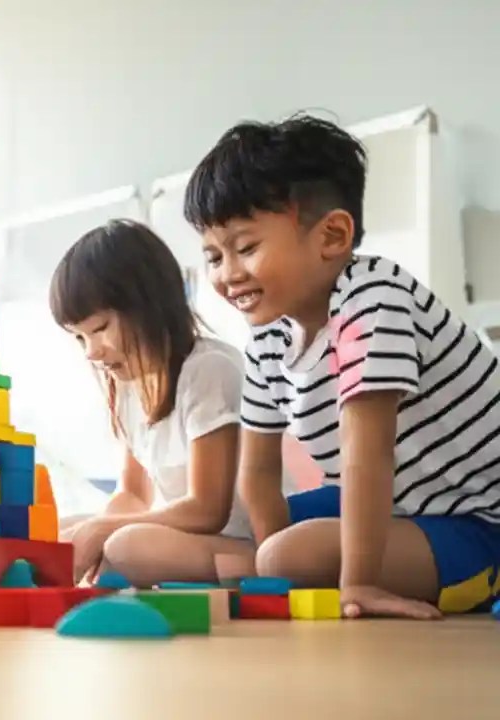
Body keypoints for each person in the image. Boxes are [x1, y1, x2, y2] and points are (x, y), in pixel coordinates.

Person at [186, 113, 500, 619]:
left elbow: (367, 454)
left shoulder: (372, 299)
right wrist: (274, 574)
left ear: (332, 236)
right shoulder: (269, 337)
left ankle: (361, 571)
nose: (228, 274)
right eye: (214, 256)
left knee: (292, 552)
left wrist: (359, 584)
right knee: (252, 532)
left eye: (246, 248)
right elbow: (259, 470)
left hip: (479, 519)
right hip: (400, 510)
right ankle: (270, 564)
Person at [51, 218, 259, 586]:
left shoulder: (209, 369)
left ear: (146, 304)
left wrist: (105, 532)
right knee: (60, 533)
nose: (92, 352)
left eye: (100, 329)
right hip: (189, 539)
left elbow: (208, 509)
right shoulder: (128, 387)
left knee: (129, 546)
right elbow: (132, 494)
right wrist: (92, 533)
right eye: (80, 338)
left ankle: (255, 574)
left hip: (242, 543)